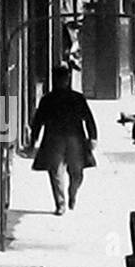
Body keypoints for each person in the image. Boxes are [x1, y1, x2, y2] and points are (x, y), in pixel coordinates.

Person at [28, 62, 98, 216]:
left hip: (73, 139)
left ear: (67, 80)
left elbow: (88, 118)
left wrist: (93, 137)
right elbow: (38, 121)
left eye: (63, 78)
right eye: (59, 79)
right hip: (57, 139)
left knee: (76, 172)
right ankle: (61, 204)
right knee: (57, 171)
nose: (62, 82)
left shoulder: (76, 98)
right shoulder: (49, 99)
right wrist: (33, 140)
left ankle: (72, 194)